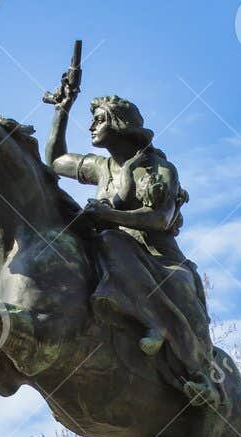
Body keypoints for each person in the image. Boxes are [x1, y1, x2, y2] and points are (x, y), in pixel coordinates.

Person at [44, 52, 216, 408]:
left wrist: (109, 216)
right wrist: (63, 107)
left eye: (98, 119)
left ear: (119, 124)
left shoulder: (158, 170)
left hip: (159, 261)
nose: (91, 126)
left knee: (115, 245)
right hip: (113, 252)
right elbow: (56, 160)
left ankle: (199, 373)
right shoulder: (101, 167)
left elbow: (160, 219)